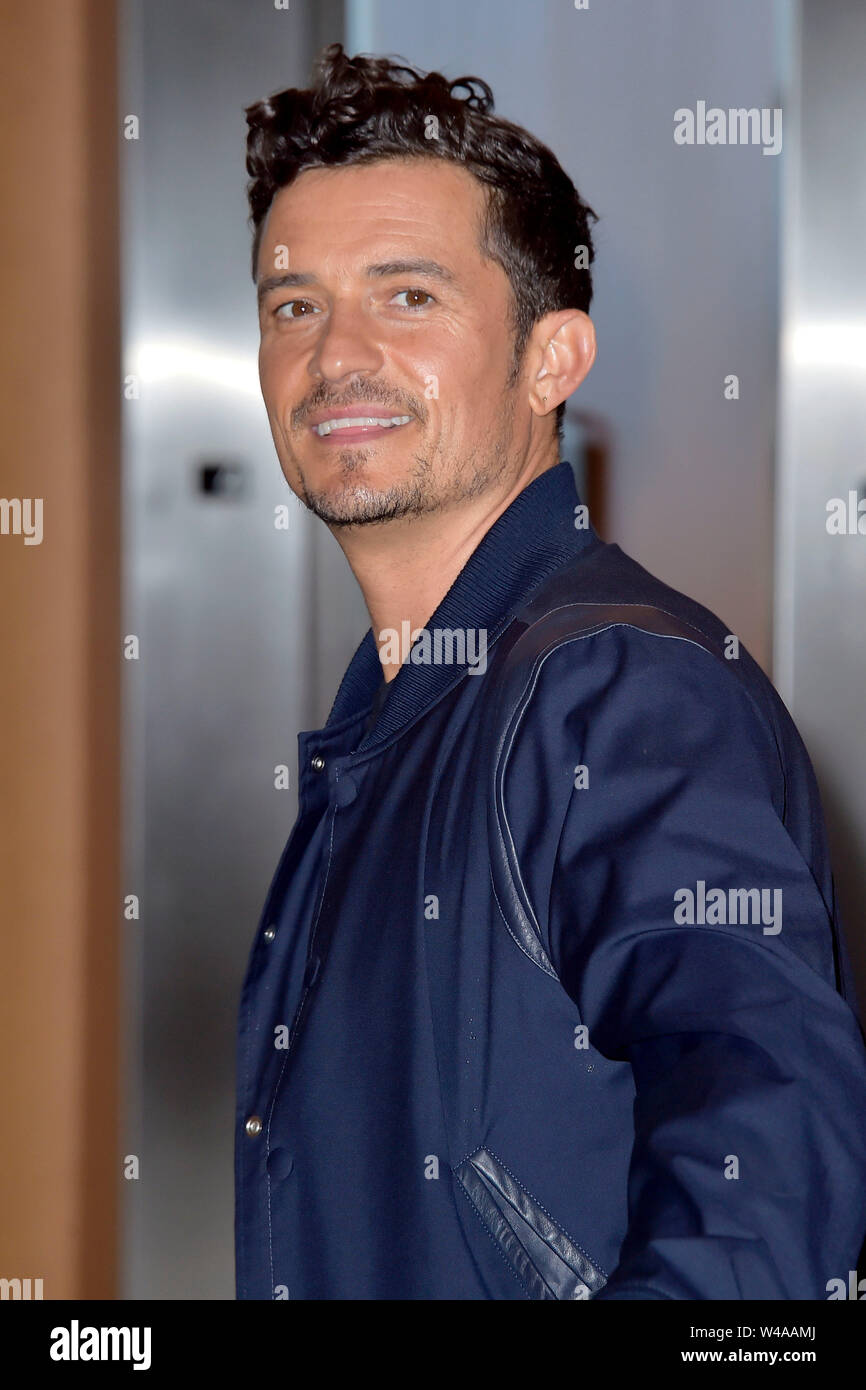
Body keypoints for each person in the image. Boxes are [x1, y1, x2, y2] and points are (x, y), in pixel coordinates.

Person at [234, 43, 866, 1300]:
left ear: (551, 359)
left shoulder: (616, 687)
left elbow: (764, 1142)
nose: (334, 354)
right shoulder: (396, 717)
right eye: (293, 303)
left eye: (407, 296)